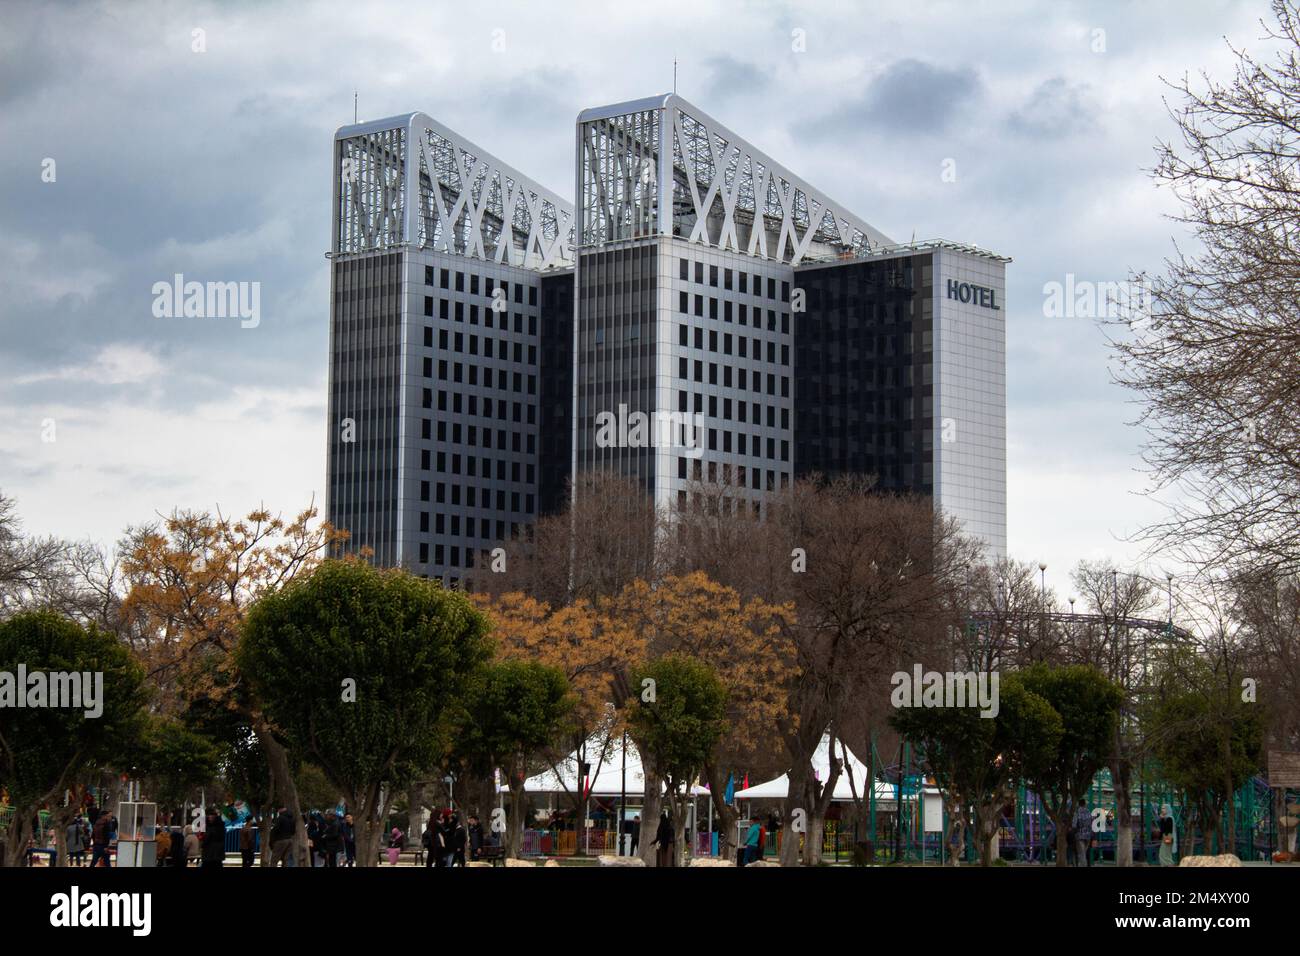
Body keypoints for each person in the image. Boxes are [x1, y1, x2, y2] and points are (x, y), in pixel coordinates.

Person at [1073, 800, 1092, 867]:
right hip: (1088, 836)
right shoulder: (1089, 812)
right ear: (1085, 804)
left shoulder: (1077, 812)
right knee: (1084, 853)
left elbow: (1074, 825)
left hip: (1079, 835)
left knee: (1082, 854)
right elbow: (1091, 824)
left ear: (1079, 804)